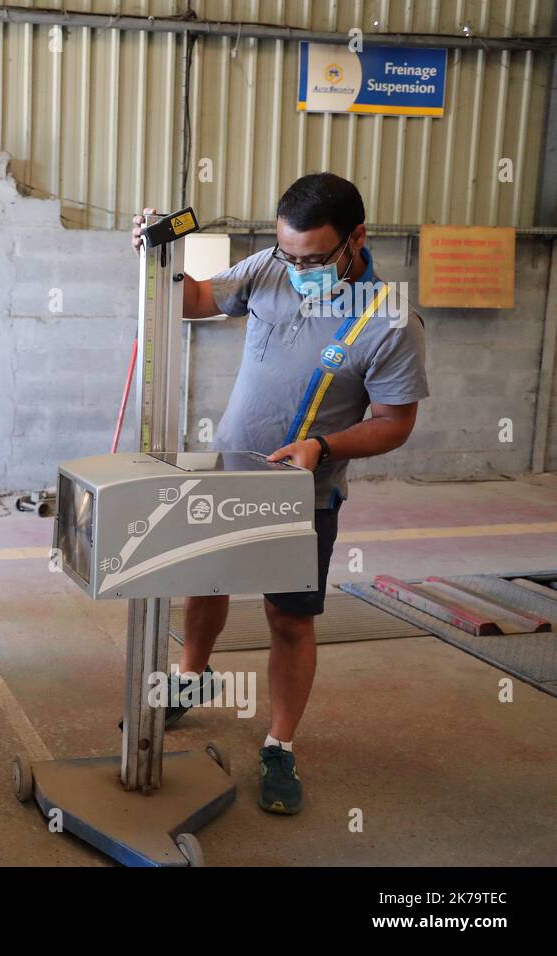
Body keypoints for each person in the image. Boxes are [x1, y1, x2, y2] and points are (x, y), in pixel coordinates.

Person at [130, 173, 428, 815]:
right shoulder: (271, 266)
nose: (297, 271)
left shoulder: (390, 321)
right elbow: (195, 301)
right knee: (204, 584)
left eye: (314, 260)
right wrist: (160, 261)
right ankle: (193, 676)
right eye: (289, 256)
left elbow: (395, 422)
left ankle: (279, 745)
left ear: (357, 240)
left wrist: (324, 448)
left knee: (289, 620)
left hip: (304, 495)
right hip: (229, 471)